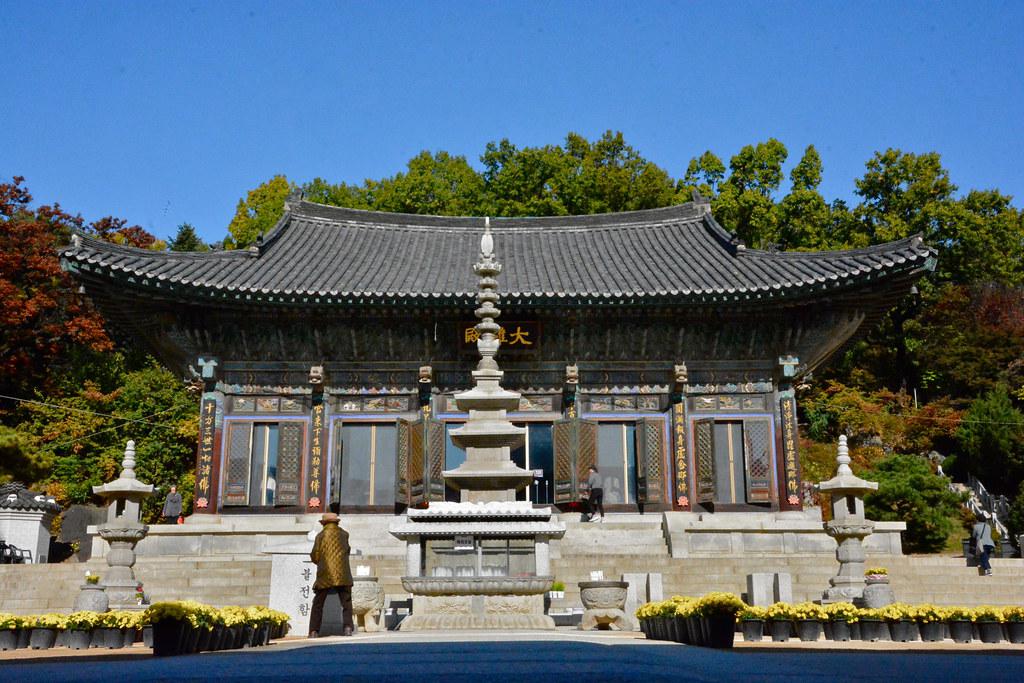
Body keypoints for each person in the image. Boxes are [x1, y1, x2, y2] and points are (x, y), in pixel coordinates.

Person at [308, 512, 354, 637]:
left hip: (325, 574)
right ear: (337, 522)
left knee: (318, 603)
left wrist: (320, 562)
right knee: (346, 602)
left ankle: (314, 630)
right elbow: (347, 550)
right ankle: (348, 628)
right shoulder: (344, 535)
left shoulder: (321, 535)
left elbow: (315, 555)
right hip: (343, 574)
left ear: (324, 523)